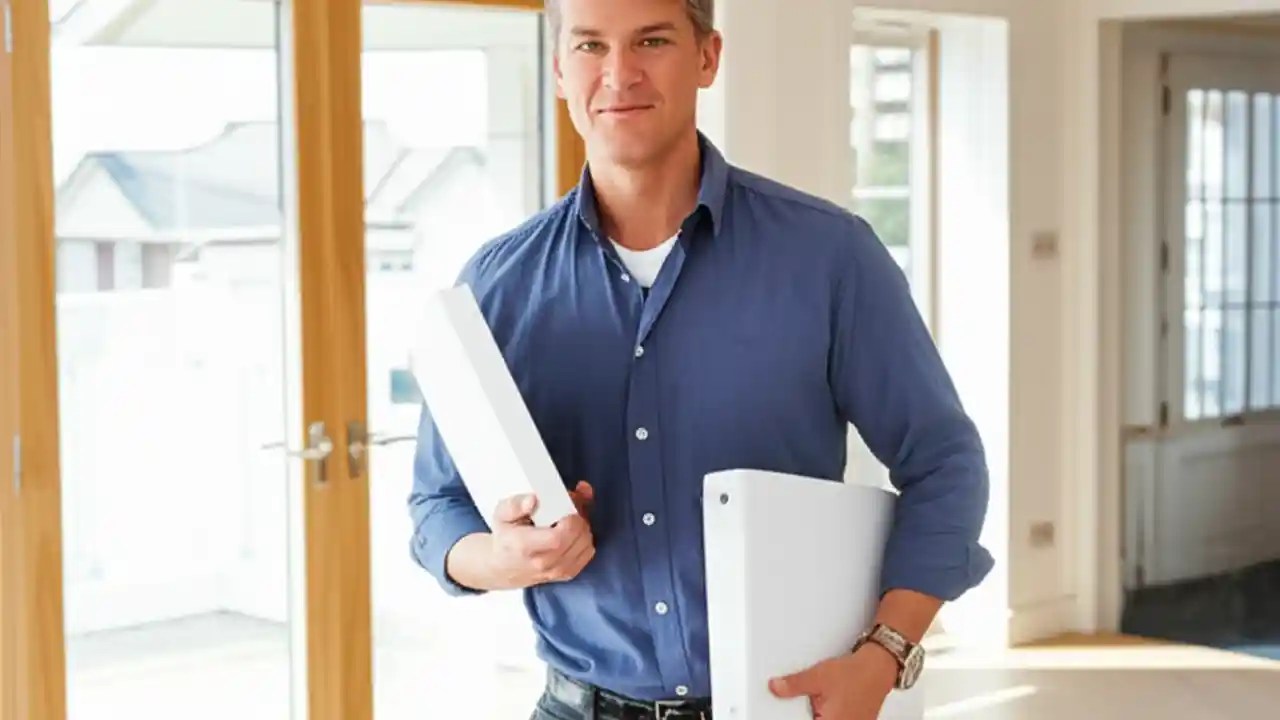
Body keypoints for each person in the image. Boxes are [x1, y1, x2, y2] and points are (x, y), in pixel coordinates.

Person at [408, 0, 994, 717]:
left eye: (651, 41)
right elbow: (438, 508)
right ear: (559, 69)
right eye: (590, 46)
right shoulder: (499, 284)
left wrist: (885, 655)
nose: (619, 73)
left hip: (780, 705)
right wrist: (497, 560)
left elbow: (945, 464)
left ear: (708, 56)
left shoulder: (829, 259)